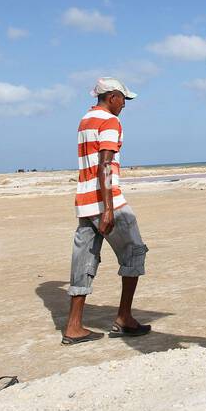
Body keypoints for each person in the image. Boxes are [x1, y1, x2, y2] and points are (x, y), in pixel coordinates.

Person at [61, 77, 152, 345]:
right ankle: (124, 318)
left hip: (85, 201)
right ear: (112, 97)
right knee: (134, 253)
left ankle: (74, 327)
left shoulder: (85, 120)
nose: (125, 105)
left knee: (84, 261)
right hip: (107, 201)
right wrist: (109, 209)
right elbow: (104, 165)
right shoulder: (111, 121)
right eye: (124, 99)